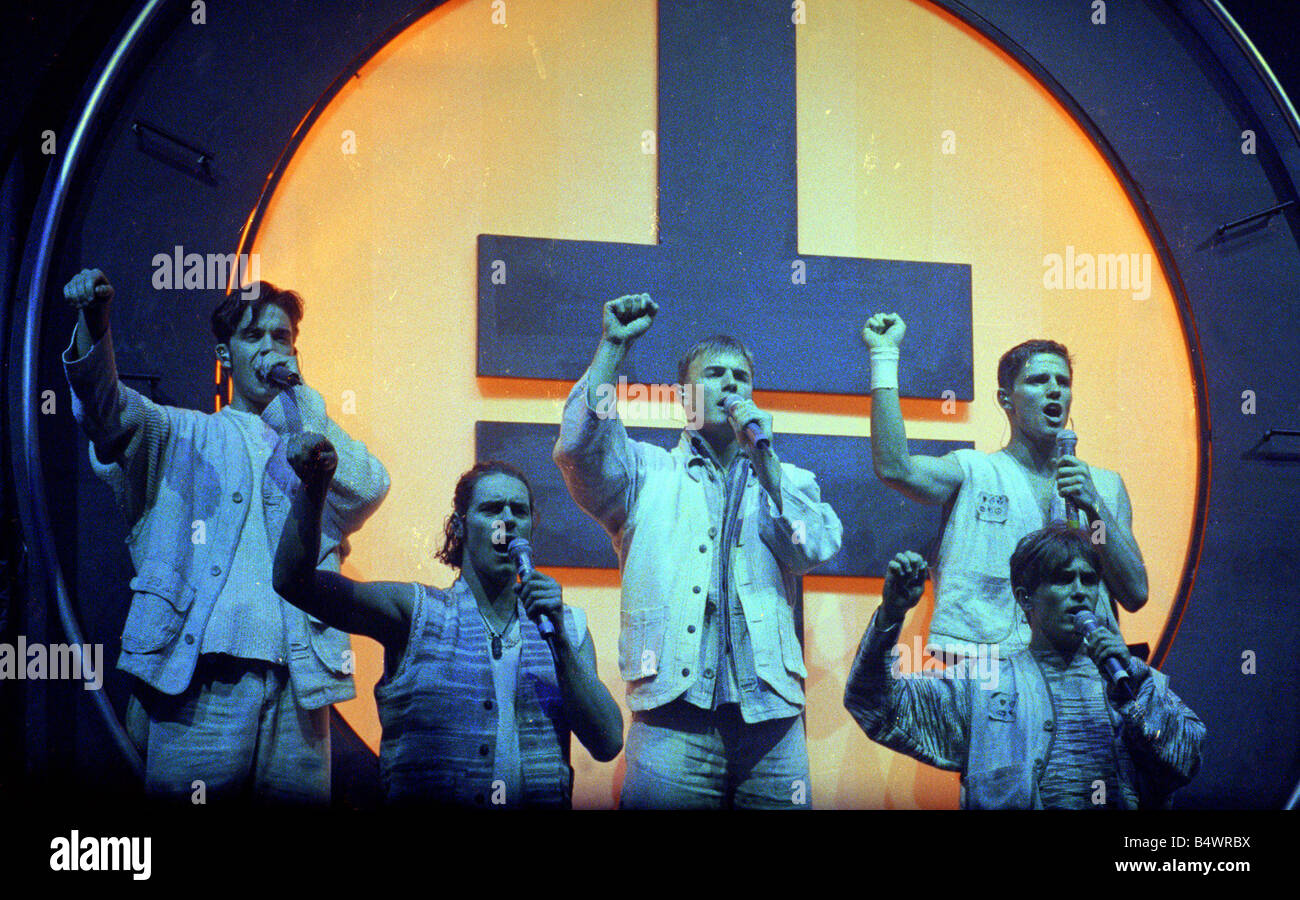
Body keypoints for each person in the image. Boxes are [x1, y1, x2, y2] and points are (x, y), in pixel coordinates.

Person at [62, 268, 390, 803]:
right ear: (225, 354)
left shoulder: (310, 442)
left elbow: (370, 489)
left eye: (281, 337)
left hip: (299, 688)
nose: (269, 348)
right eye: (252, 335)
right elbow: (106, 410)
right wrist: (94, 324)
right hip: (199, 687)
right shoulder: (182, 433)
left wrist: (305, 410)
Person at [553, 293, 843, 808]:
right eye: (714, 375)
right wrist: (612, 349)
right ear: (684, 398)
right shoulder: (644, 472)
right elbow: (580, 448)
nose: (731, 384)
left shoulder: (787, 478)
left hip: (772, 727)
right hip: (671, 721)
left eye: (741, 376)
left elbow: (814, 546)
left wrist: (767, 465)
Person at [273, 451, 623, 808]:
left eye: (519, 511)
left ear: (533, 523)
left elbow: (608, 743)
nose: (507, 522)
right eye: (491, 510)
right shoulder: (415, 612)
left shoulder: (567, 625)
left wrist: (560, 642)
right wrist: (315, 487)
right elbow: (293, 582)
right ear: (459, 525)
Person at [844, 526, 1204, 809]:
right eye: (1063, 579)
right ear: (1024, 597)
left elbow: (1185, 761)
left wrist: (1134, 684)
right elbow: (873, 704)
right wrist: (891, 615)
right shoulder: (982, 682)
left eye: (1089, 580)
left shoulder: (1132, 678)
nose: (1080, 591)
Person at [861, 313, 1148, 658]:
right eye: (1039, 380)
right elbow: (895, 467)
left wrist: (1095, 508)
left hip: (1082, 672)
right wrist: (884, 356)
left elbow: (1135, 593)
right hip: (989, 670)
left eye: (1063, 381)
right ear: (1006, 398)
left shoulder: (1103, 486)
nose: (1054, 389)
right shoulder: (973, 472)